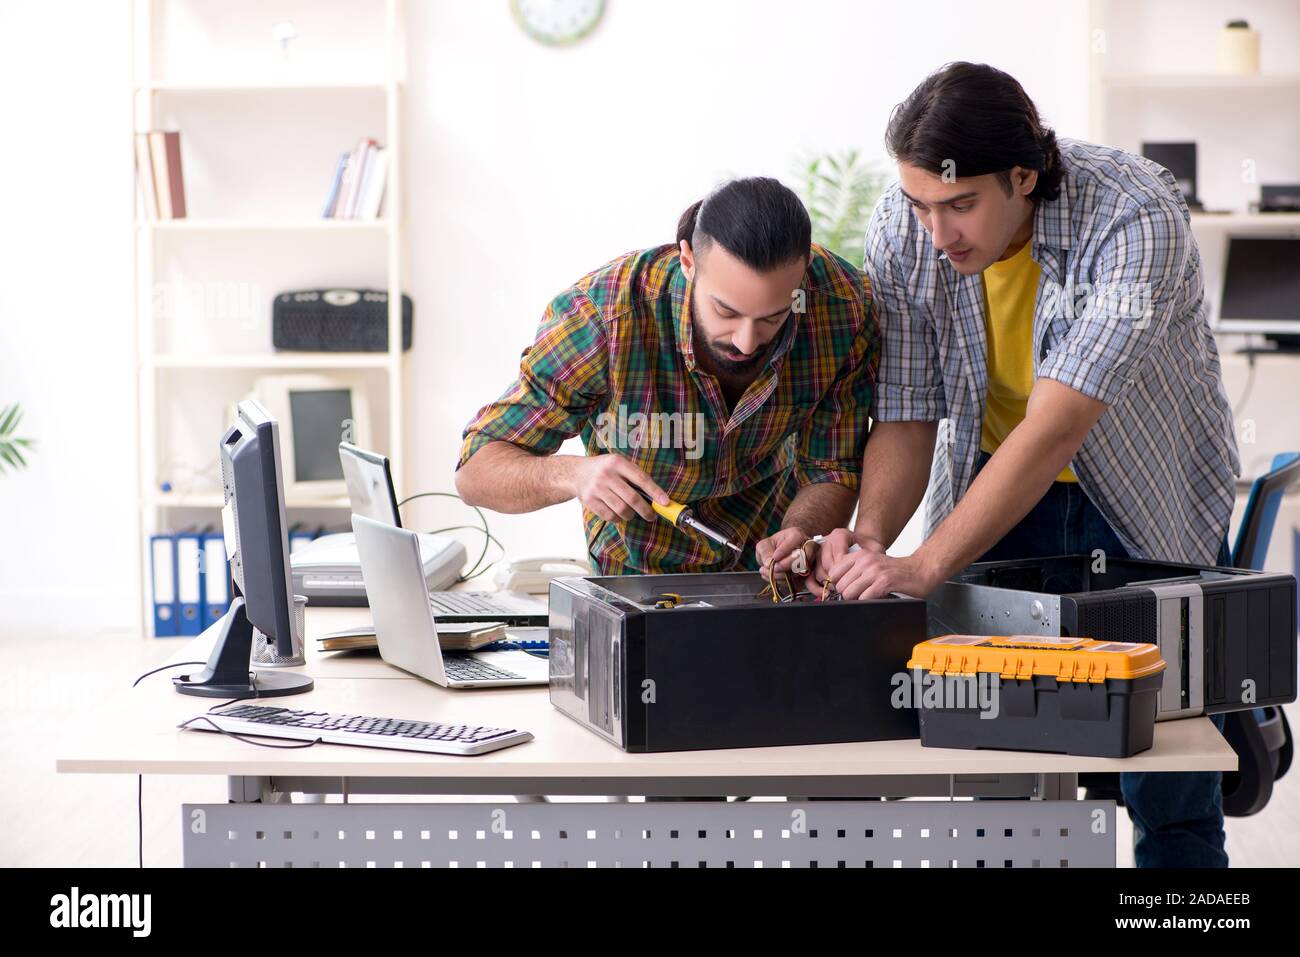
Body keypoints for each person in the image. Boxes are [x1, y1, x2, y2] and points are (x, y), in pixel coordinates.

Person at [802, 63, 1239, 867]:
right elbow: (905, 408)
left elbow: (1057, 426)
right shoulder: (907, 231)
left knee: (1167, 779)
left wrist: (927, 561)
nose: (938, 233)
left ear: (1023, 175)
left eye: (961, 205)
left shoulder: (1133, 213)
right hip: (996, 492)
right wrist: (870, 543)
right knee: (996, 757)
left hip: (1141, 495)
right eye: (921, 206)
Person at [455, 176, 879, 578]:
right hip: (633, 575)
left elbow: (832, 470)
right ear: (688, 262)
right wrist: (573, 474)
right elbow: (476, 471)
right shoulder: (601, 318)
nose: (747, 343)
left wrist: (802, 533)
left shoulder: (841, 309)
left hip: (768, 579)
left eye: (773, 317)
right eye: (726, 312)